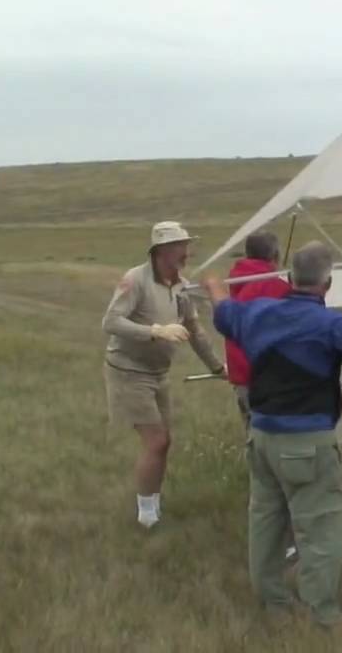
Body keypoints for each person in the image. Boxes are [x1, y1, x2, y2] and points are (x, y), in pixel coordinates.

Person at [204, 241, 342, 629]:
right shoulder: (332, 324)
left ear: (289, 277)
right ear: (327, 284)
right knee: (321, 528)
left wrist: (215, 286)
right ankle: (324, 616)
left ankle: (274, 605)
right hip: (306, 444)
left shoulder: (257, 312)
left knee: (266, 522)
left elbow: (223, 314)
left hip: (261, 437)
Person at [102, 221, 225, 529]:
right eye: (178, 246)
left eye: (186, 245)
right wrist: (154, 331)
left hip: (160, 373)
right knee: (156, 441)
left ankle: (152, 504)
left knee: (164, 442)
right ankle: (146, 517)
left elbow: (194, 330)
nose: (185, 252)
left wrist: (217, 367)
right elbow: (111, 322)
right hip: (129, 372)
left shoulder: (183, 286)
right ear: (160, 251)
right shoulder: (135, 280)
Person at [225, 231, 293, 428]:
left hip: (241, 371)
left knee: (253, 431)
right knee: (276, 434)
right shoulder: (277, 287)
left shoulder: (237, 281)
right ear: (275, 255)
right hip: (269, 375)